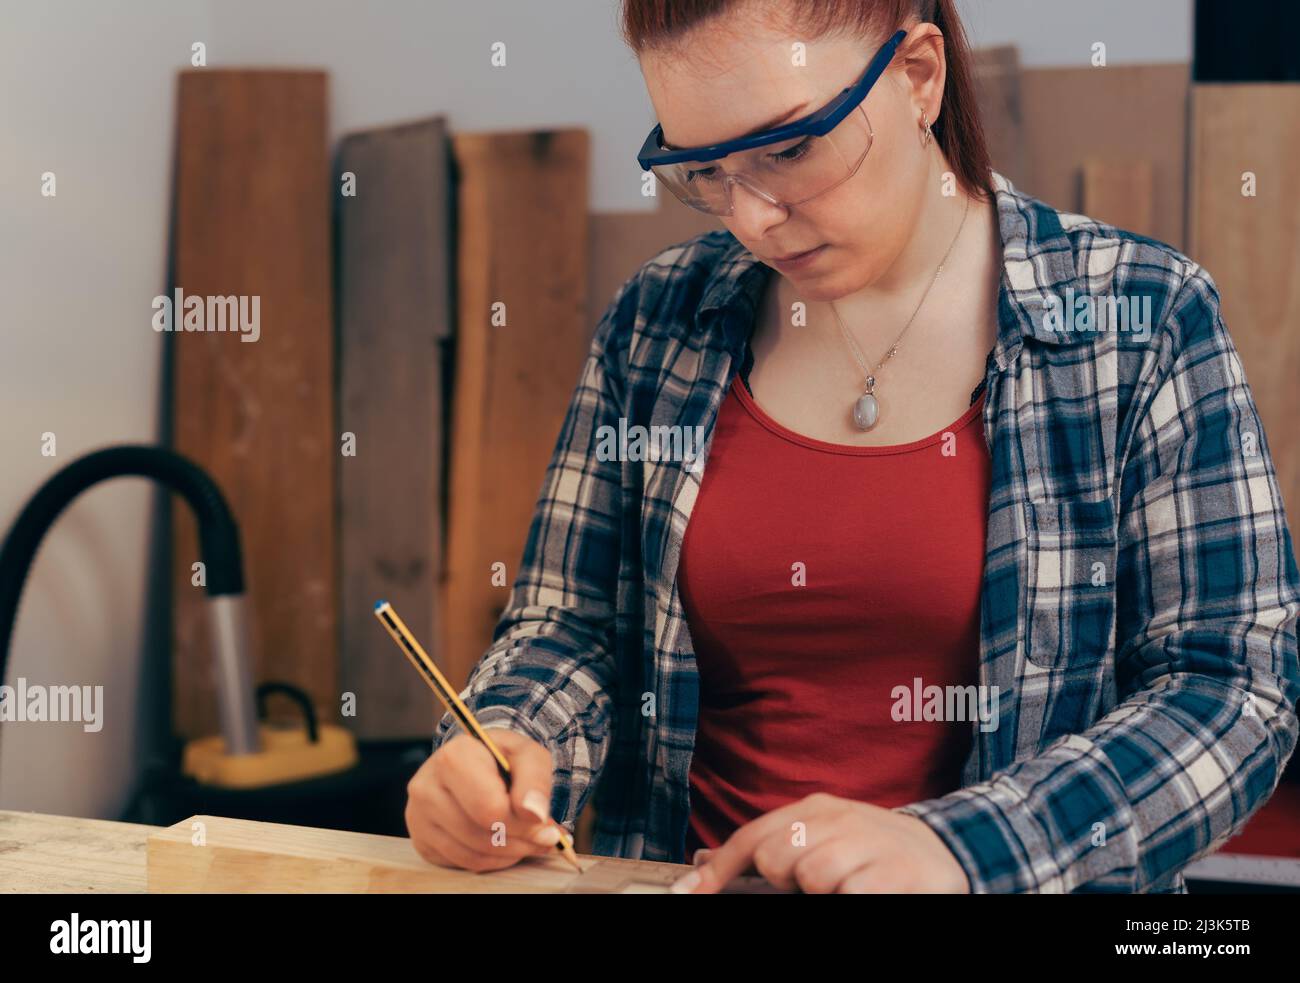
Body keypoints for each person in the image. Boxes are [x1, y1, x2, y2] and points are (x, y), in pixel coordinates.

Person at [405, 0, 1300, 893]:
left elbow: (1233, 695)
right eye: (704, 169)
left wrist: (960, 850)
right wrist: (506, 744)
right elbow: (569, 625)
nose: (752, 219)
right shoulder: (658, 322)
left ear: (917, 75)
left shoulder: (1137, 317)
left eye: (790, 149)